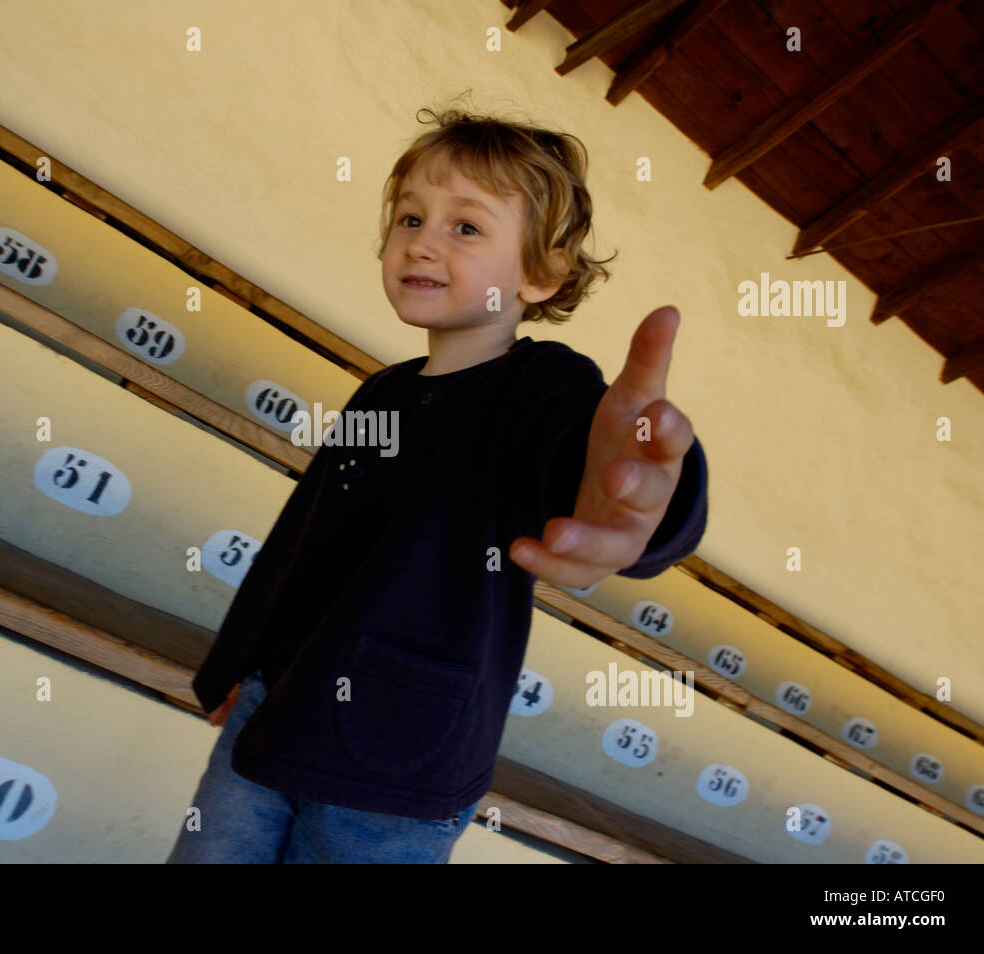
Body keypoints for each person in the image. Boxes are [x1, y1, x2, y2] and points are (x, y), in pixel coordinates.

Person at [167, 105, 709, 863]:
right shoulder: (378, 393)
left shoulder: (547, 385)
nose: (421, 240)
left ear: (541, 272)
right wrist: (236, 669)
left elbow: (592, 463)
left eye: (466, 227)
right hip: (270, 716)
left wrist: (635, 493)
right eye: (409, 218)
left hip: (399, 763)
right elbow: (298, 543)